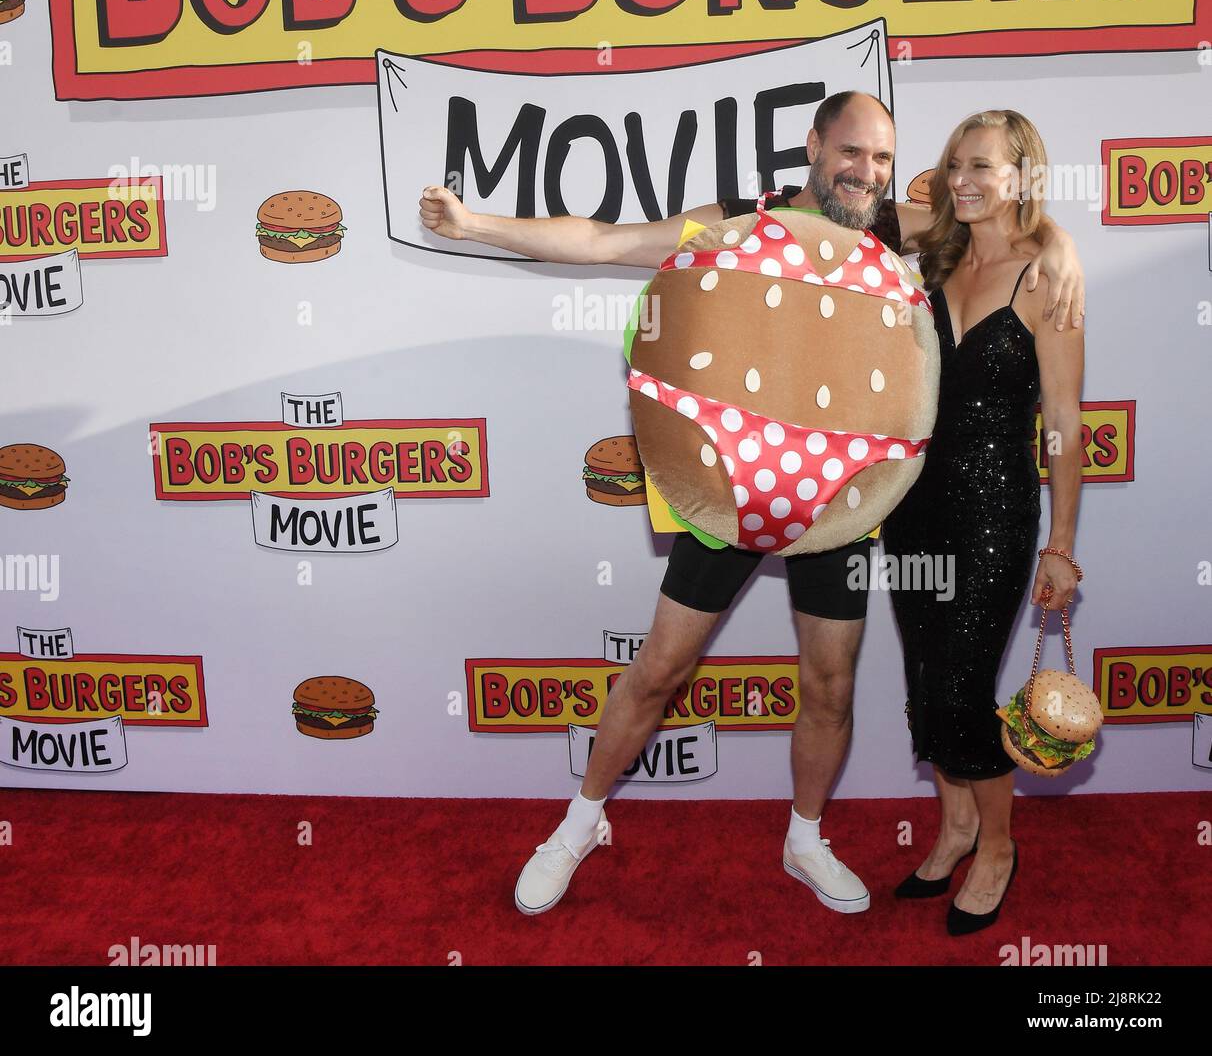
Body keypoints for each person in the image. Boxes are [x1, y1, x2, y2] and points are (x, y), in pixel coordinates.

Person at [418, 91, 1085, 918]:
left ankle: (805, 838)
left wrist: (1058, 243)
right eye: (852, 153)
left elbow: (1003, 224)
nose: (868, 173)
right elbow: (603, 240)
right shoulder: (739, 219)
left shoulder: (892, 225)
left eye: (883, 159)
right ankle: (577, 825)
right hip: (729, 490)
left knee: (830, 684)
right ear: (813, 144)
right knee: (660, 669)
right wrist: (475, 224)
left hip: (841, 502)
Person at [880, 109, 1085, 935]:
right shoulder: (936, 252)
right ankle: (955, 823)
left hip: (995, 513)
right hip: (910, 508)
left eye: (984, 167)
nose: (963, 179)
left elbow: (1064, 420)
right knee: (925, 682)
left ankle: (997, 845)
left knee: (965, 690)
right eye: (955, 164)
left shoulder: (1049, 278)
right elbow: (851, 207)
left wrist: (1062, 544)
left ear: (1022, 176)